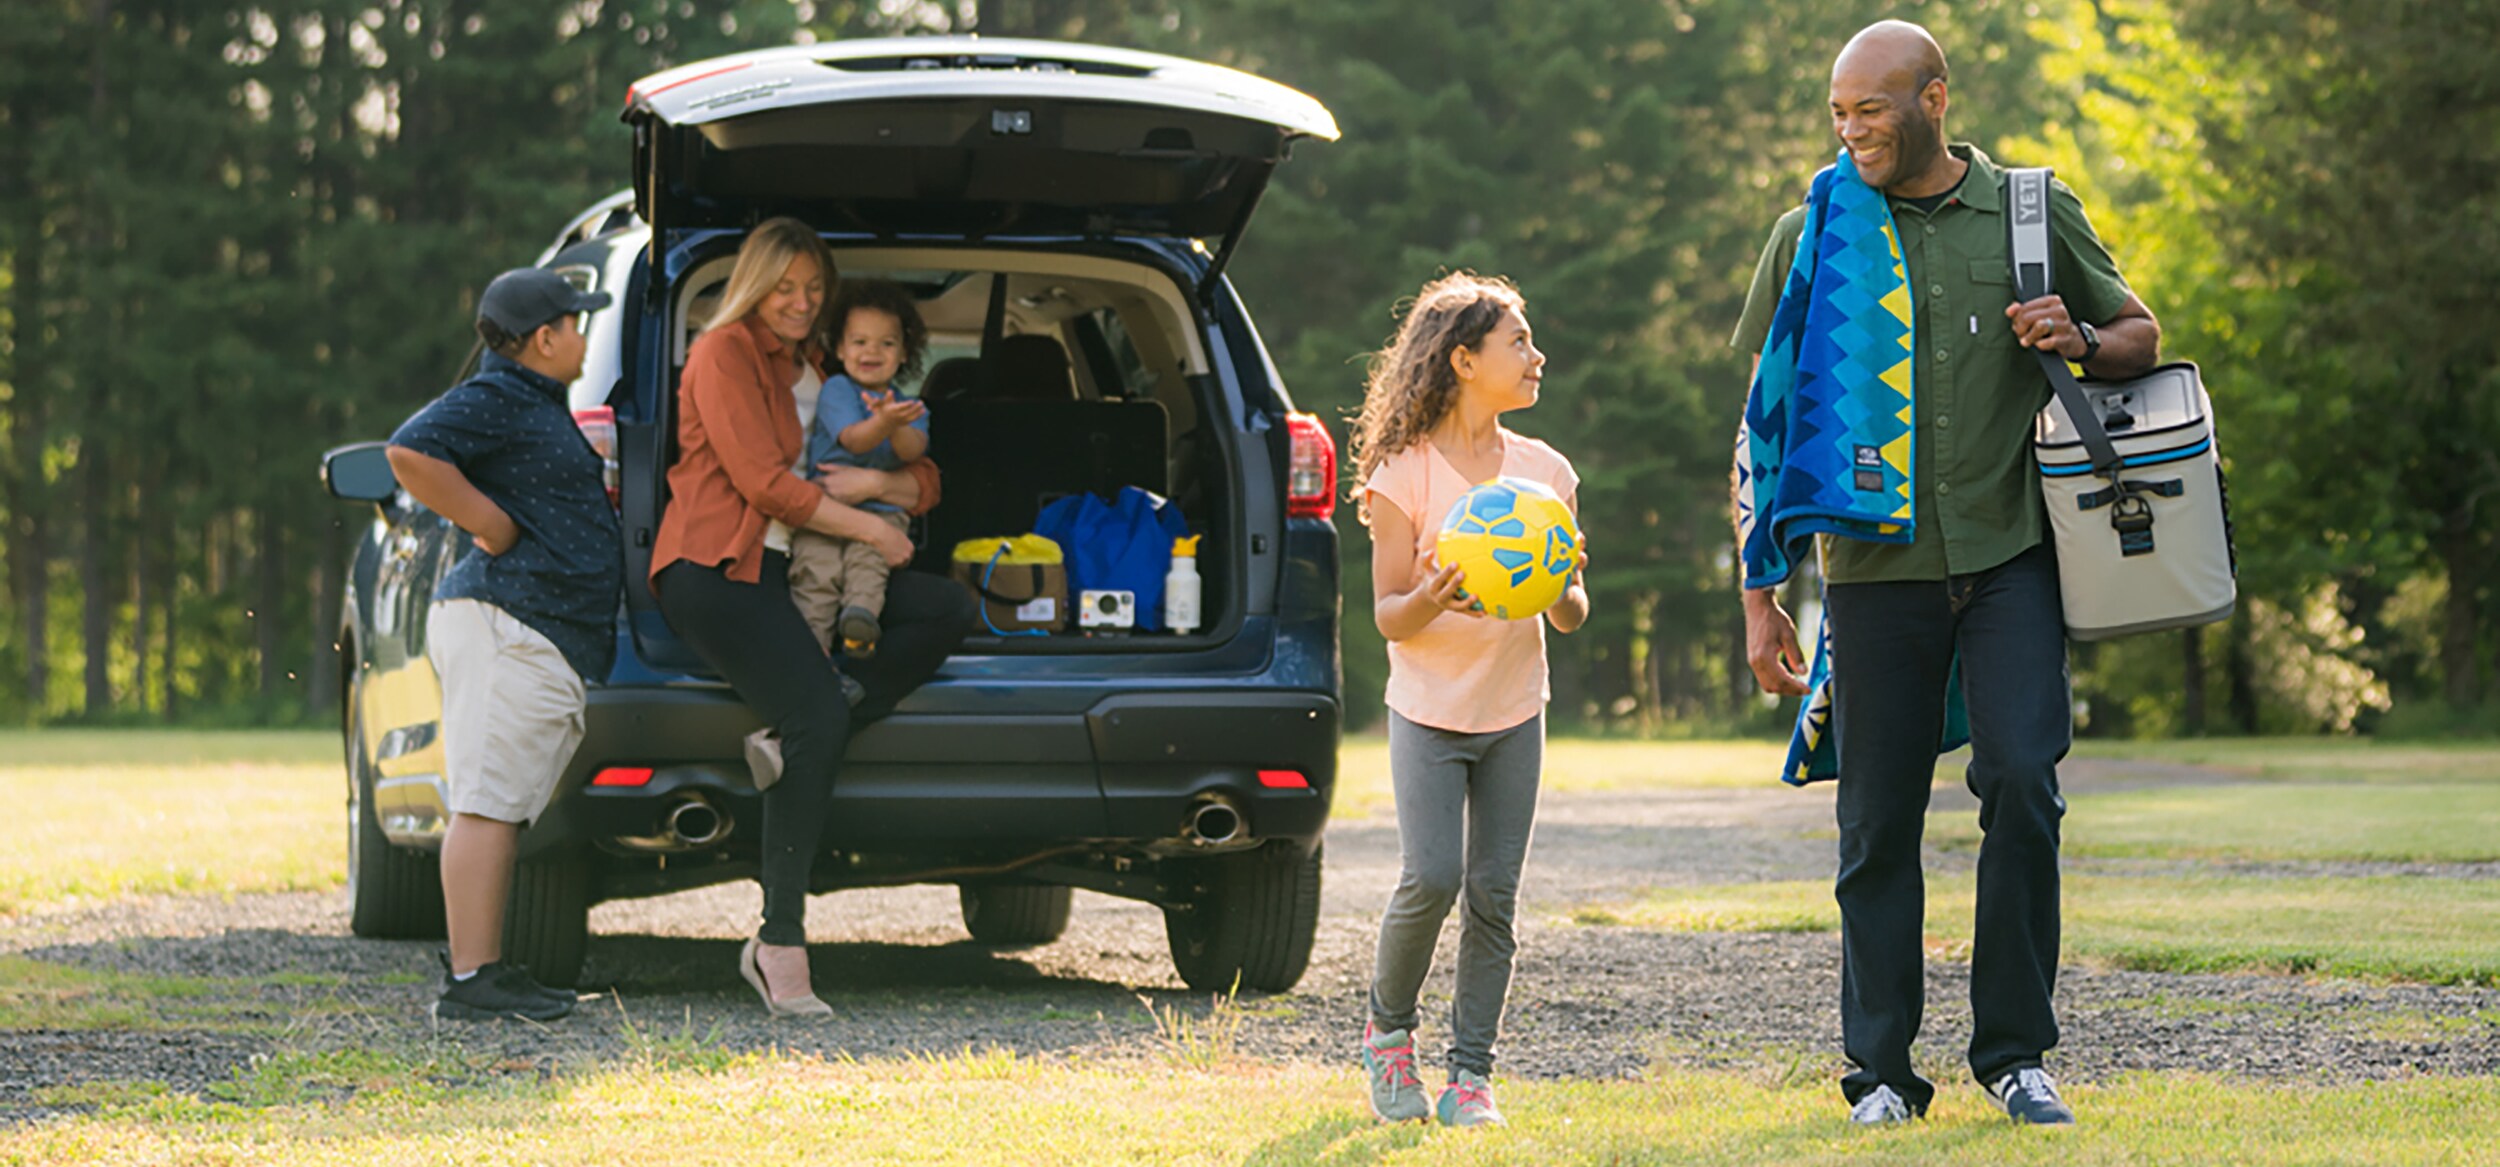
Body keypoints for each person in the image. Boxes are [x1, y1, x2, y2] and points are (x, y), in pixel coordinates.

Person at [1731, 20, 2162, 1127]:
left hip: (2011, 558)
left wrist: (2072, 334)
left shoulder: (2028, 210)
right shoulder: (1808, 233)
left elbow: (2137, 336)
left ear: (1932, 98)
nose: (1849, 131)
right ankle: (1879, 1073)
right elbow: (1765, 426)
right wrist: (1758, 591)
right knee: (1875, 821)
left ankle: (2015, 1053)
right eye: (1837, 113)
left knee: (2023, 782)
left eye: (1869, 110)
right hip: (1873, 576)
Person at [649, 218, 976, 1018]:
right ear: (754, 284)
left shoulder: (827, 367)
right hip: (722, 566)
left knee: (951, 607)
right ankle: (779, 941)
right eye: (784, 287)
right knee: (816, 711)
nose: (799, 303)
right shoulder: (723, 352)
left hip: (804, 562)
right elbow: (763, 484)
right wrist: (868, 521)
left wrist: (879, 492)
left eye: (813, 290)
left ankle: (815, 720)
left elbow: (926, 479)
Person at [1350, 273, 1590, 1128]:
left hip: (1514, 708)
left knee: (1494, 891)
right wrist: (1434, 598)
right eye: (1518, 343)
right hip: (1427, 708)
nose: (1536, 356)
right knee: (1432, 876)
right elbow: (1388, 616)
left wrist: (1564, 580)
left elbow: (1568, 616)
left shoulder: (1546, 474)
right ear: (1462, 359)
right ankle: (1388, 1036)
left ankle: (1472, 1075)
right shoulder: (1402, 473)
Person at [385, 267, 620, 1023]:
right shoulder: (499, 396)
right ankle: (471, 980)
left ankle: (484, 966)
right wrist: (491, 524)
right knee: (486, 805)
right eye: (575, 323)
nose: (583, 336)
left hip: (531, 628)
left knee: (500, 803)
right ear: (544, 338)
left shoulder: (532, 403)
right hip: (504, 623)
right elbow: (409, 452)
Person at [791, 278, 932, 658]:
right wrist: (883, 423)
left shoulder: (908, 407)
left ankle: (860, 624)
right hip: (825, 511)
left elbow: (912, 450)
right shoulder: (837, 390)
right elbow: (854, 438)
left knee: (868, 566)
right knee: (816, 573)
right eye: (859, 342)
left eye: (887, 343)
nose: (872, 351)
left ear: (905, 354)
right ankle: (812, 653)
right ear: (839, 348)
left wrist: (896, 423)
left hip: (881, 512)